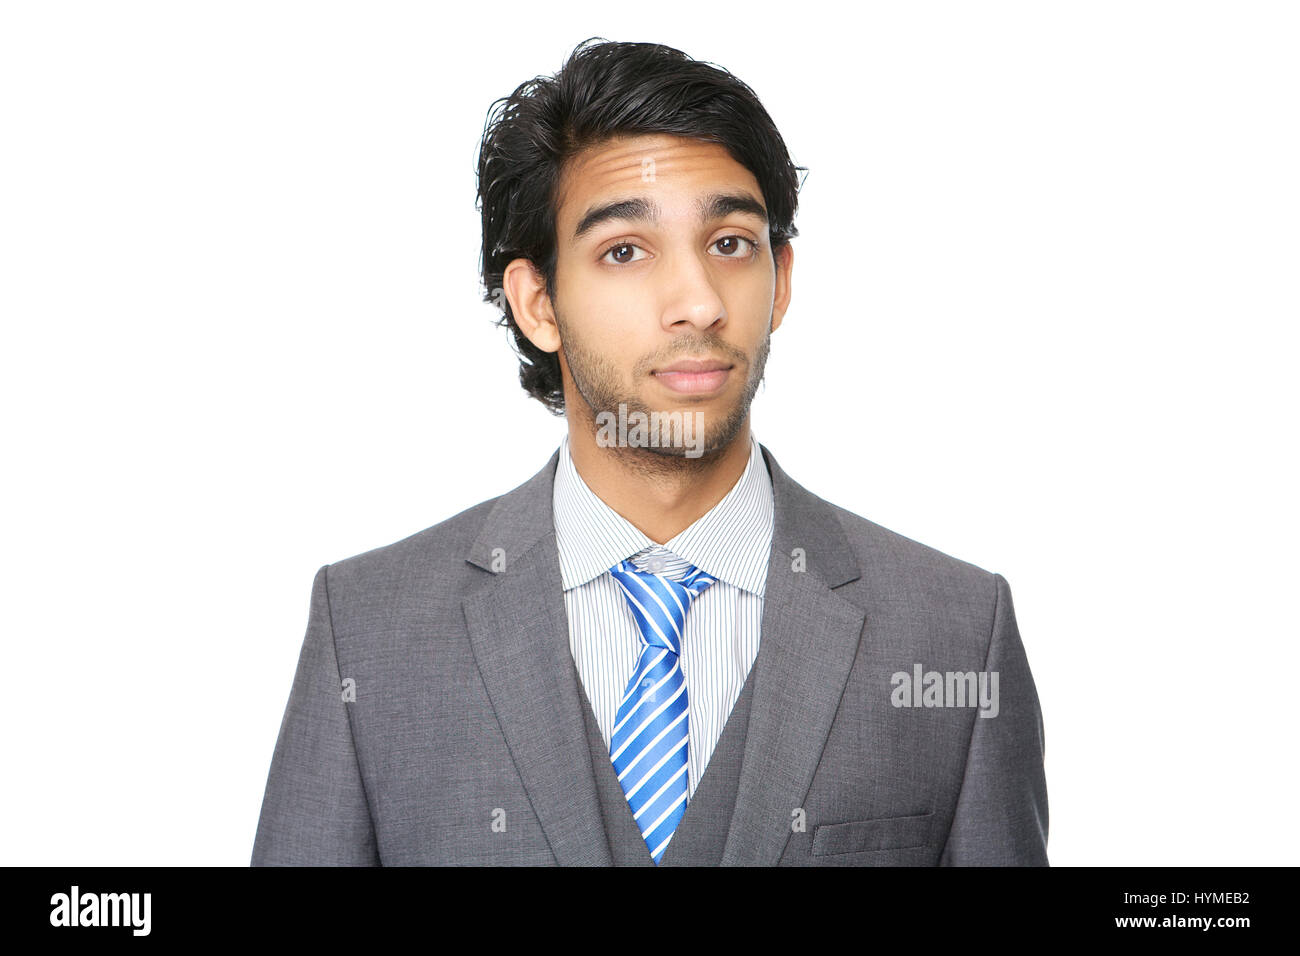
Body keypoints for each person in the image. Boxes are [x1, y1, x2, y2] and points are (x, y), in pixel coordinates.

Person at [251, 37, 1048, 866]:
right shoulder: (372, 631)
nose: (699, 302)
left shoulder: (953, 633)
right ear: (536, 303)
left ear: (780, 277)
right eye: (624, 251)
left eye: (731, 243)